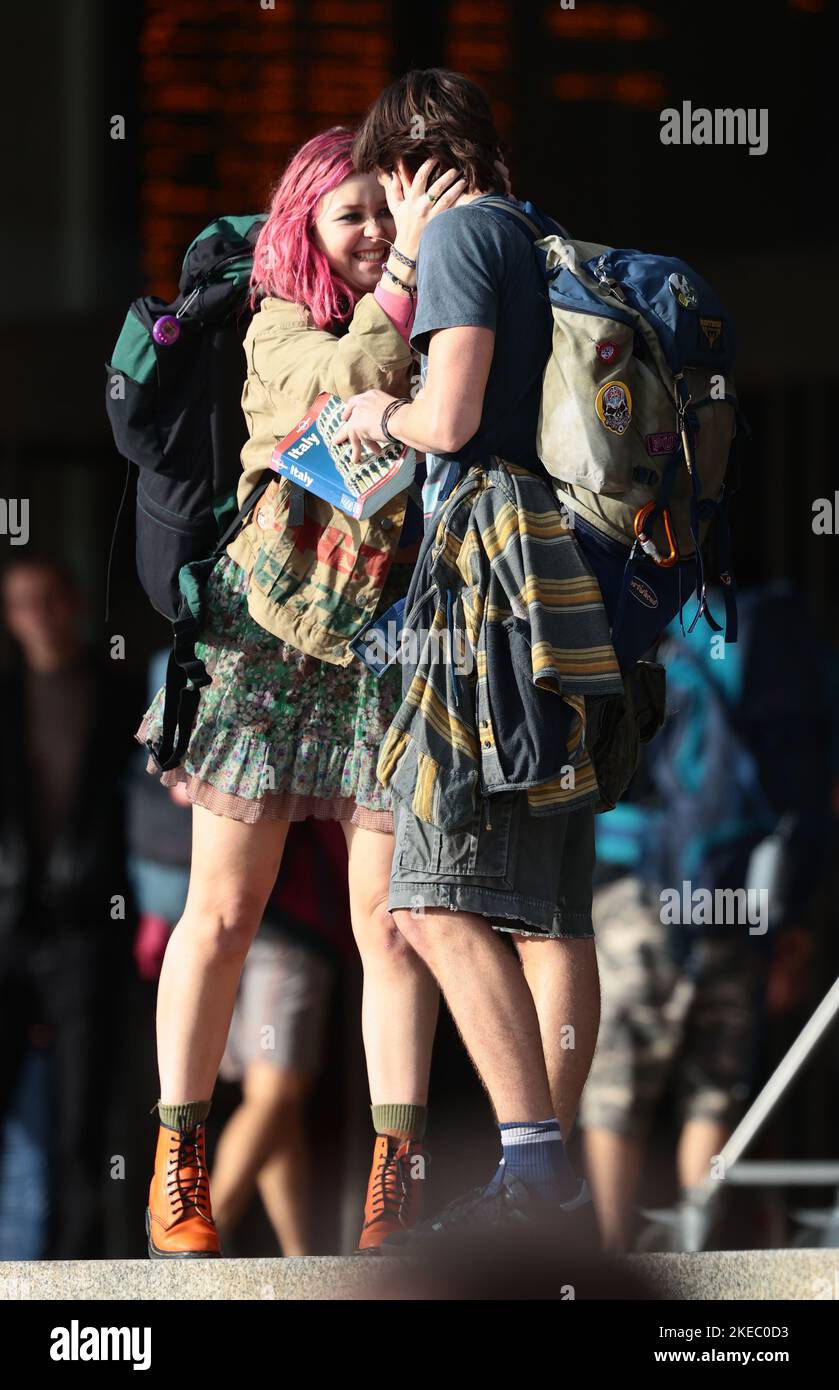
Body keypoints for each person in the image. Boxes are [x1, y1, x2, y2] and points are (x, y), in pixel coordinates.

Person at [138, 127, 470, 1256]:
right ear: (306, 229)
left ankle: (395, 1177)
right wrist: (415, 274)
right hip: (264, 636)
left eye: (392, 210)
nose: (378, 232)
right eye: (355, 215)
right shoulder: (278, 322)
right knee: (225, 911)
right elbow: (343, 390)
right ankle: (179, 1158)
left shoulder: (443, 311)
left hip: (385, 644)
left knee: (391, 926)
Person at [337, 69, 625, 1247]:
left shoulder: (457, 234)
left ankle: (535, 1173)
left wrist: (372, 417)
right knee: (551, 910)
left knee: (430, 890)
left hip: (482, 595)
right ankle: (546, 1178)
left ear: (406, 167)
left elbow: (447, 419)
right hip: (569, 599)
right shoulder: (539, 235)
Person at [0, 556, 137, 1257]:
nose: (39, 615)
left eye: (50, 599)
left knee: (83, 1116)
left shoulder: (119, 694)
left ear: (74, 603)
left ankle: (74, 1278)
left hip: (90, 927)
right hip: (6, 928)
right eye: (23, 603)